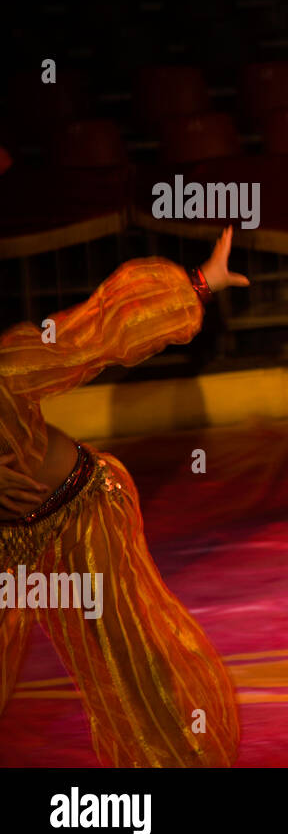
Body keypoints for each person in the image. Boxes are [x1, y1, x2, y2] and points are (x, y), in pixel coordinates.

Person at [0, 229, 247, 766]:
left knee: (130, 671)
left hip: (78, 516)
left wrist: (202, 282)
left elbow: (91, 334)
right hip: (5, 544)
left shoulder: (6, 369)